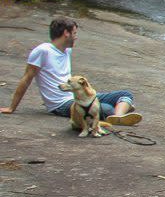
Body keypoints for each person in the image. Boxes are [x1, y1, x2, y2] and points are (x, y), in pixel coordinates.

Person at [1, 16, 142, 125]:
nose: (76, 36)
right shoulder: (43, 51)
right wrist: (12, 107)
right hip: (61, 104)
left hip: (77, 96)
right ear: (66, 33)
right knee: (106, 109)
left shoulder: (66, 50)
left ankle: (118, 117)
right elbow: (27, 78)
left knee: (125, 94)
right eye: (74, 33)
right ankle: (119, 112)